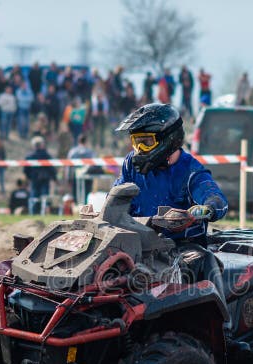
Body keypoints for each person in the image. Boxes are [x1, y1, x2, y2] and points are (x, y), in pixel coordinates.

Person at [113, 103, 228, 292]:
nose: (139, 149)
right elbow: (118, 198)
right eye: (136, 142)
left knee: (202, 260)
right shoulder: (130, 165)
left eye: (146, 142)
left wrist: (202, 210)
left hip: (181, 246)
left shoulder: (191, 171)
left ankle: (223, 320)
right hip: (140, 244)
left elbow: (216, 198)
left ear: (169, 139)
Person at [23, 136, 57, 215]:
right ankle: (43, 212)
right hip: (45, 179)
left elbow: (26, 170)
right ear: (42, 145)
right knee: (44, 197)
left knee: (34, 197)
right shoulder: (46, 155)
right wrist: (54, 178)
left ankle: (33, 212)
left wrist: (29, 177)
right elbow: (51, 168)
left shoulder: (29, 156)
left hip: (34, 179)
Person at [67, 134, 97, 204]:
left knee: (75, 194)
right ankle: (85, 209)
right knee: (86, 194)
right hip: (87, 175)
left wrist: (68, 178)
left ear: (78, 141)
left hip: (75, 175)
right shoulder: (90, 152)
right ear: (86, 141)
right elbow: (94, 164)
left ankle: (77, 210)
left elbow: (68, 166)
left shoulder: (72, 152)